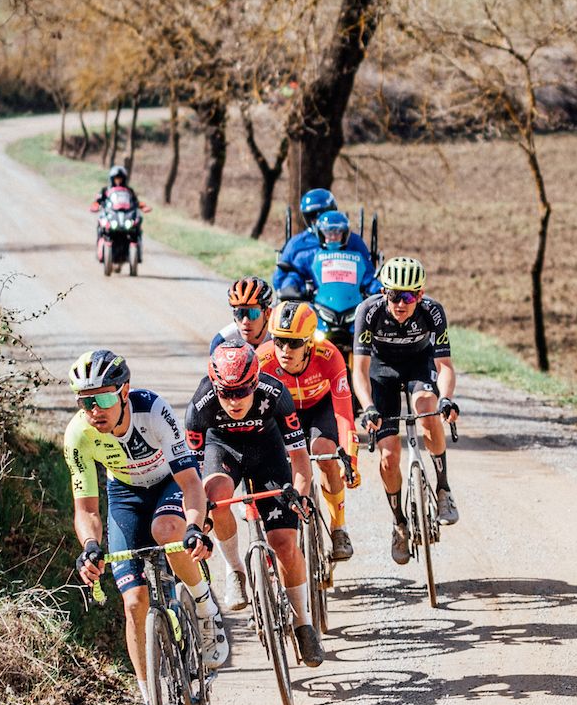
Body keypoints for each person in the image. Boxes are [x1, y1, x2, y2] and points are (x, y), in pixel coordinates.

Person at [64, 348, 220, 705]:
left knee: (166, 531)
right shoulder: (79, 434)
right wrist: (90, 547)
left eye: (103, 398)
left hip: (170, 483)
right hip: (125, 494)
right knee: (134, 601)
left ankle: (204, 605)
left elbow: (192, 483)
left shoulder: (153, 411)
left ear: (124, 391)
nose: (94, 410)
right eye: (85, 401)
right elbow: (87, 509)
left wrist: (193, 527)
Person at [186, 340, 325, 667]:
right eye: (226, 393)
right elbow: (191, 478)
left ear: (255, 382)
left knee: (284, 543)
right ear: (215, 387)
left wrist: (300, 495)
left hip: (268, 451)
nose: (234, 401)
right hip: (223, 450)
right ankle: (235, 569)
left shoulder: (275, 393)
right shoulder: (200, 405)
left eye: (242, 392)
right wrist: (199, 519)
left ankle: (303, 623)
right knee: (216, 495)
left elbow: (300, 460)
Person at [352, 256, 459, 562]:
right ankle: (399, 522)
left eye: (409, 297)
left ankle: (443, 489)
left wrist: (446, 398)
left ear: (420, 295)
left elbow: (444, 365)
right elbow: (359, 370)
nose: (401, 303)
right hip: (382, 370)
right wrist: (368, 407)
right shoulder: (368, 311)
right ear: (383, 292)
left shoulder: (433, 311)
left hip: (418, 365)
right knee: (388, 456)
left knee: (427, 409)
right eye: (394, 295)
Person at [258, 299, 361, 562]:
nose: (285, 350)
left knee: (324, 452)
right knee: (279, 465)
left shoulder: (329, 355)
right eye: (279, 340)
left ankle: (339, 527)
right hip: (283, 413)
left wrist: (351, 459)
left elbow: (344, 414)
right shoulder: (262, 360)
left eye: (294, 343)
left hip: (319, 408)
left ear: (309, 343)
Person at [273, 208, 379, 300]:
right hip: (319, 305)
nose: (333, 237)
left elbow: (368, 278)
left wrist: (380, 291)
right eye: (328, 232)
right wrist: (290, 287)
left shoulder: (355, 256)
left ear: (345, 233)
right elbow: (295, 274)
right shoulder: (310, 255)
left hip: (352, 304)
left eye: (338, 232)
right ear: (320, 234)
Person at [270, 187, 339, 272]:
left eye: (320, 215)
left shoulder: (351, 241)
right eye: (311, 216)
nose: (316, 221)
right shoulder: (296, 244)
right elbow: (281, 276)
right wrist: (291, 280)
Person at [210, 276, 274, 355]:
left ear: (267, 313)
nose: (245, 321)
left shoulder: (280, 337)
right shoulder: (222, 341)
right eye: (239, 313)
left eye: (252, 313)